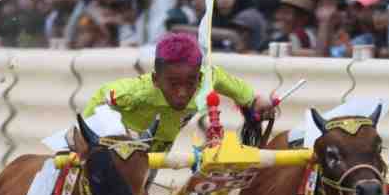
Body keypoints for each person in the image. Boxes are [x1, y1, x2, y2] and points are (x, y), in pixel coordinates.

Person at [83, 32, 275, 156]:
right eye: (174, 84)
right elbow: (101, 98)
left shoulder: (209, 78)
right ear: (156, 80)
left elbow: (246, 94)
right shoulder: (135, 93)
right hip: (119, 153)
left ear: (199, 78)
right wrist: (92, 141)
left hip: (157, 154)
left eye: (190, 83)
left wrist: (257, 102)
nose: (182, 93)